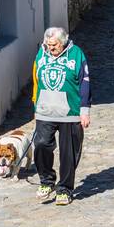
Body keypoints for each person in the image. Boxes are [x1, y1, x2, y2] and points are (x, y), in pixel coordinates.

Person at [31, 26, 91, 205]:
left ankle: (65, 189)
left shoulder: (76, 55)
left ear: (63, 43)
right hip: (45, 111)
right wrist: (36, 104)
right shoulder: (41, 54)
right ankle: (47, 181)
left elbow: (85, 81)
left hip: (70, 113)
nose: (51, 48)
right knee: (41, 145)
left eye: (54, 45)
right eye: (48, 44)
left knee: (68, 153)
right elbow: (35, 78)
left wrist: (84, 110)